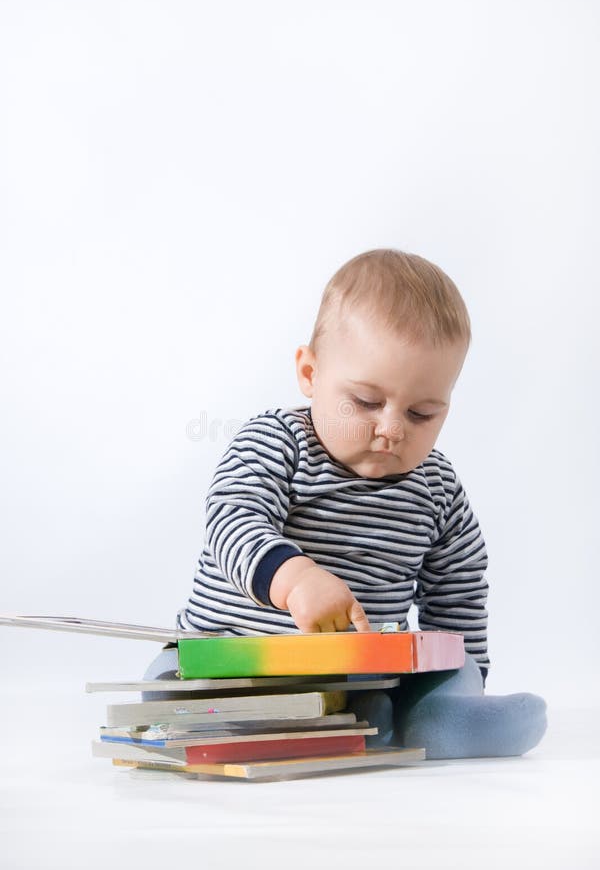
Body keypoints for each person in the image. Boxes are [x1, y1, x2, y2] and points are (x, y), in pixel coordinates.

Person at [143, 249, 547, 759]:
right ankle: (335, 719)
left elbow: (459, 591)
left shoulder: (437, 485)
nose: (392, 429)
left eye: (423, 413)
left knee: (446, 669)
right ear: (310, 374)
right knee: (170, 690)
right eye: (366, 402)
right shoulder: (278, 442)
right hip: (230, 659)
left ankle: (444, 719)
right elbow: (233, 516)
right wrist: (294, 579)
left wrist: (465, 674)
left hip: (357, 673)